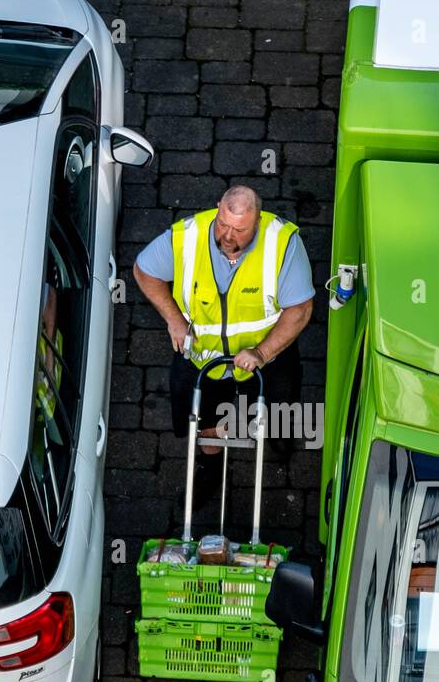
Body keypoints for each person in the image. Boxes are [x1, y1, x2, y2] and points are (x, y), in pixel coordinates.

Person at [133, 185, 314, 508]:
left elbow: (299, 310)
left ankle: (279, 439)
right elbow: (144, 271)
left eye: (239, 230)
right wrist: (174, 320)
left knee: (280, 408)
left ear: (258, 221)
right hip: (203, 360)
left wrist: (262, 352)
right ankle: (211, 469)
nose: (228, 236)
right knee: (206, 419)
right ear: (217, 208)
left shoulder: (283, 244)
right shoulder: (187, 236)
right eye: (223, 224)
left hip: (268, 361)